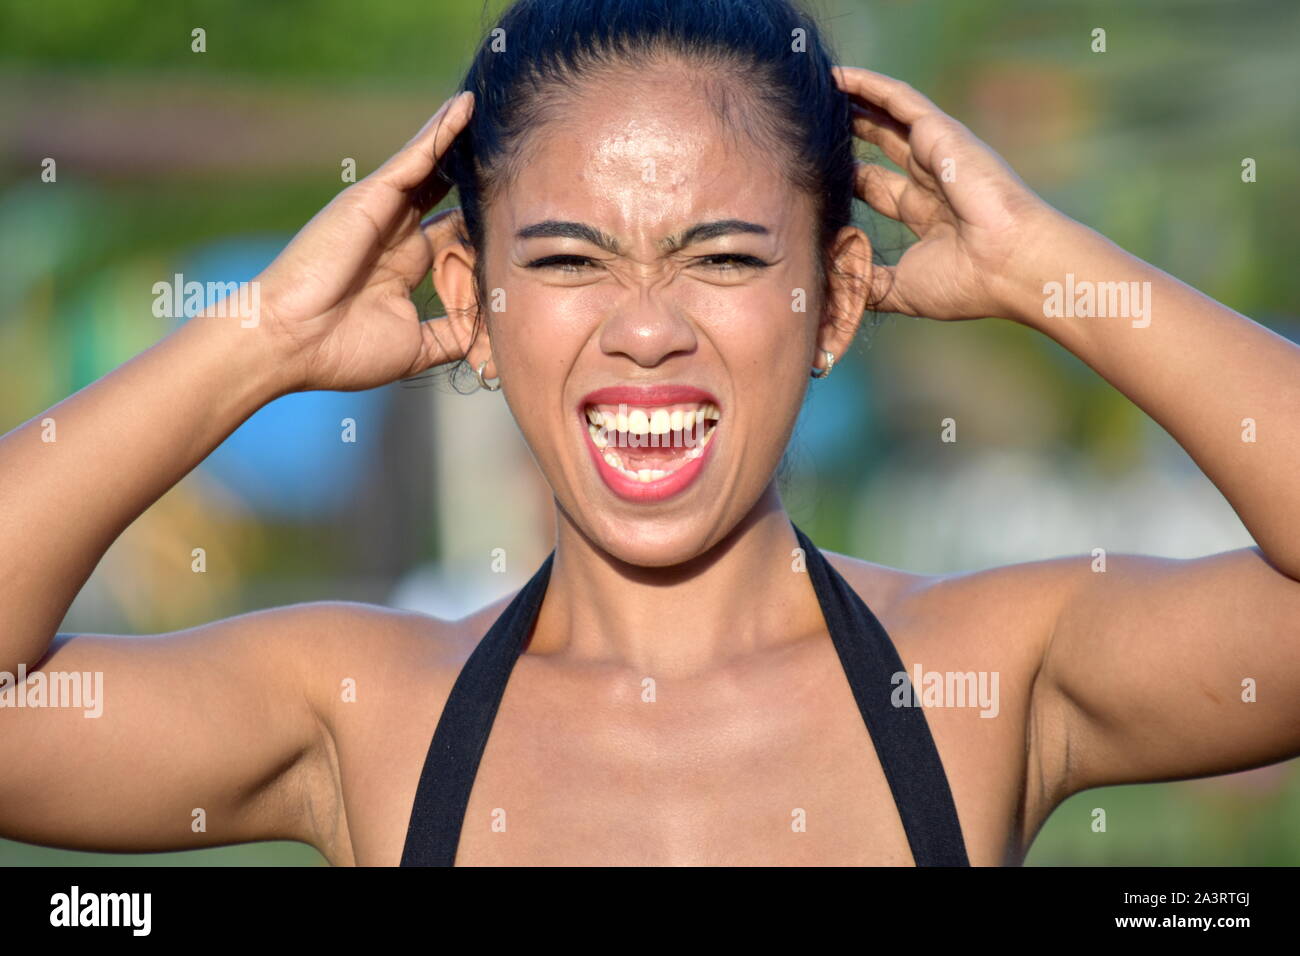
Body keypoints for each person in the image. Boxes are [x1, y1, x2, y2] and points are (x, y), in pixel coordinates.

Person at [1, 0, 1297, 866]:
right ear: (474, 306)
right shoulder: (364, 710)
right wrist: (261, 337)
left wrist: (1052, 270)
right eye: (568, 261)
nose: (646, 329)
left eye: (723, 256)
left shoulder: (993, 671)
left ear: (836, 298)